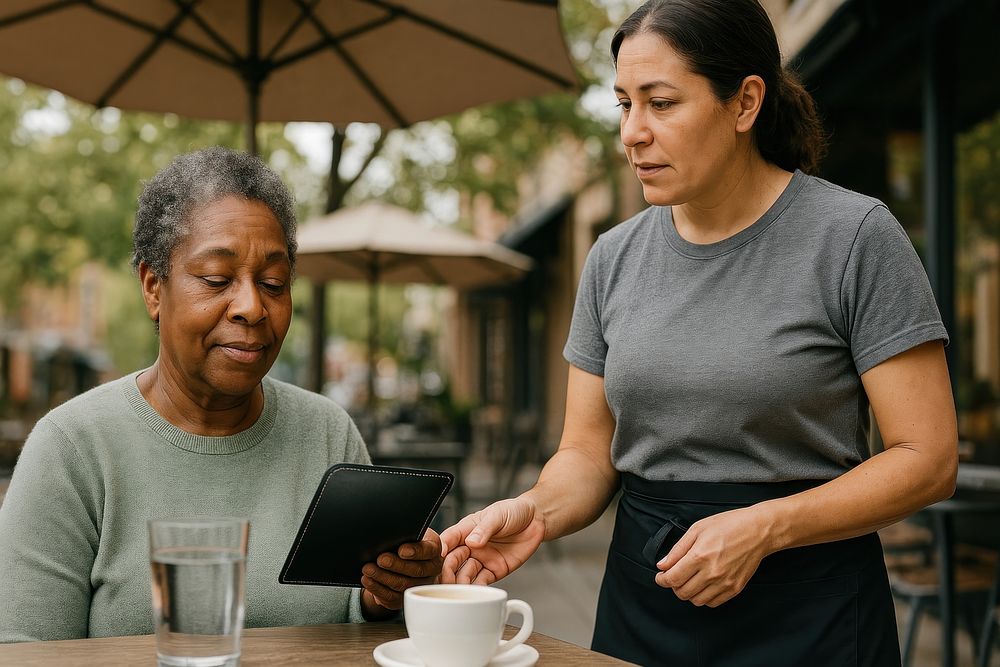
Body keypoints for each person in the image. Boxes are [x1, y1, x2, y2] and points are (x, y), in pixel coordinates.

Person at [440, 1, 957, 664]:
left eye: (660, 103)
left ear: (745, 103)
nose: (632, 133)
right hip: (644, 606)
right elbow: (589, 454)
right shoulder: (611, 258)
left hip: (813, 613)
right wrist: (533, 510)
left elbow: (927, 457)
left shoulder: (854, 238)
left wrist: (767, 527)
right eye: (624, 104)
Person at [0, 147, 442, 642]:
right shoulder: (71, 448)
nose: (252, 307)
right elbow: (23, 651)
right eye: (216, 279)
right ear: (153, 287)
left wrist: (385, 597)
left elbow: (365, 625)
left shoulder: (326, 432)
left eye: (273, 283)